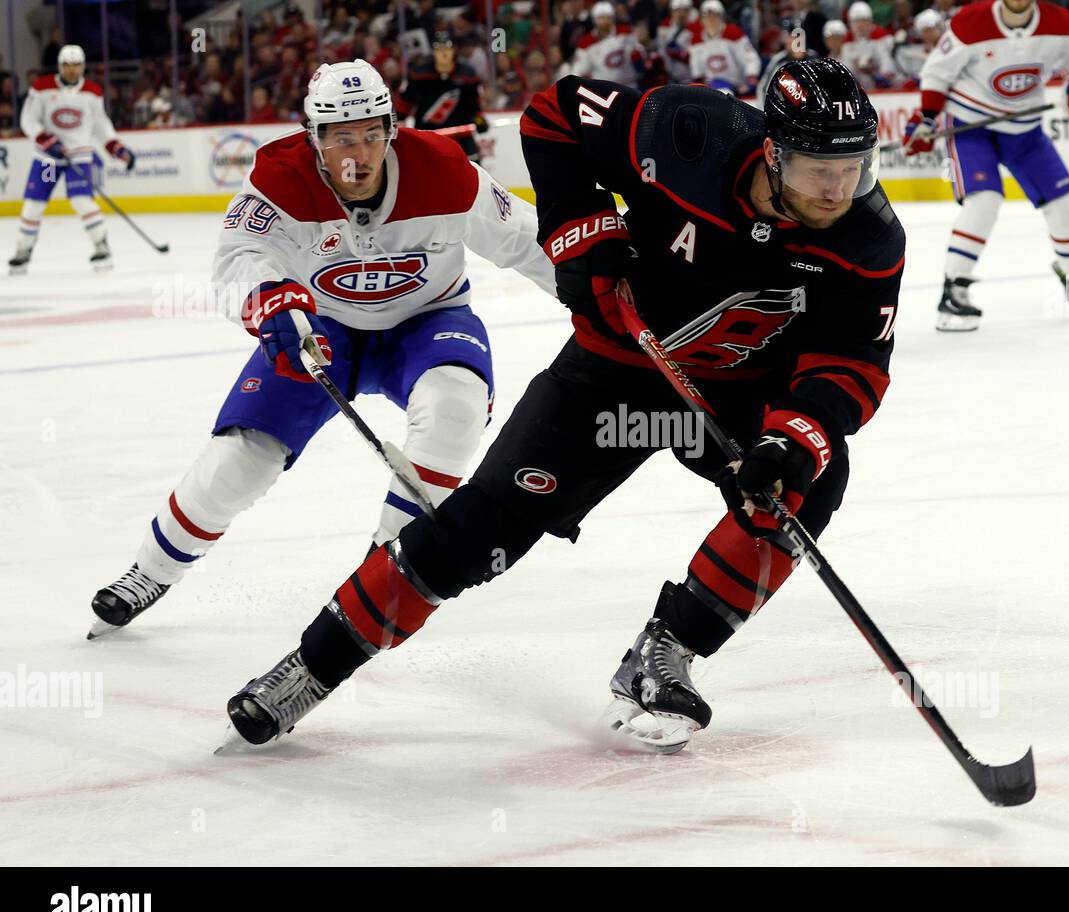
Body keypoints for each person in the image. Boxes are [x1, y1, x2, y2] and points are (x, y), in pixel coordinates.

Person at [221, 59, 905, 754]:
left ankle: (665, 652)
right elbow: (555, 112)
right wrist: (583, 230)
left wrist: (791, 438)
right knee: (476, 538)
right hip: (613, 373)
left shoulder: (869, 239)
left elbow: (853, 364)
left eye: (855, 167)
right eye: (820, 168)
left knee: (804, 481)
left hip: (735, 395)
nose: (839, 188)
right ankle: (312, 666)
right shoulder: (689, 130)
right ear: (773, 150)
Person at [86, 60, 555, 639]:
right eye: (341, 139)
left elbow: (532, 241)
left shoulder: (446, 172)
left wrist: (601, 292)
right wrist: (269, 301)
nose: (358, 155)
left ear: (390, 128)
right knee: (243, 457)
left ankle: (389, 569)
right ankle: (150, 570)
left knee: (455, 406)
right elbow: (238, 262)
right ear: (314, 139)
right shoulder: (279, 181)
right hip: (320, 327)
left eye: (371, 134)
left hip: (428, 320)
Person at [904, 0, 1069, 330]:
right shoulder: (971, 21)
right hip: (971, 125)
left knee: (1064, 203)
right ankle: (954, 289)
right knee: (984, 201)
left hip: (1024, 130)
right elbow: (936, 71)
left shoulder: (1059, 21)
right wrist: (926, 116)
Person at [7, 45, 135, 275]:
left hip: (79, 155)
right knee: (34, 205)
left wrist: (117, 148)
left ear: (82, 66)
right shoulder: (42, 87)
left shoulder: (92, 92)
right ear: (60, 65)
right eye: (67, 65)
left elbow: (101, 125)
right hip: (48, 158)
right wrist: (45, 138)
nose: (72, 70)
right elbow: (28, 119)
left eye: (76, 65)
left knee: (81, 200)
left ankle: (100, 246)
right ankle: (23, 250)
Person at [395, 32, 489, 162]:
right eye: (439, 49)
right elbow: (405, 102)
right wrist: (397, 120)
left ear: (453, 50)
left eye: (447, 49)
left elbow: (474, 106)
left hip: (461, 135)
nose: (444, 53)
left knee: (474, 170)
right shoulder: (419, 73)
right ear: (433, 52)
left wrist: (479, 119)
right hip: (428, 136)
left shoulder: (467, 74)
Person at [689, 0, 762, 96]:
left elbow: (751, 58)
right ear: (701, 20)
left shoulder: (733, 33)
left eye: (714, 16)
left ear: (722, 17)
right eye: (707, 16)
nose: (710, 20)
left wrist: (750, 78)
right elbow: (697, 70)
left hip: (737, 85)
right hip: (711, 85)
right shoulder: (697, 39)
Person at [572, 1, 645, 85]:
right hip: (604, 91)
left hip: (630, 84)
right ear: (594, 20)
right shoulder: (586, 42)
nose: (604, 21)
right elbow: (579, 70)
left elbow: (639, 53)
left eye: (607, 17)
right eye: (601, 18)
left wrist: (638, 55)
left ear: (612, 18)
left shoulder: (625, 32)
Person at [843, 1, 899, 89]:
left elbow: (887, 67)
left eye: (864, 21)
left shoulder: (882, 38)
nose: (860, 25)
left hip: (882, 88)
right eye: (856, 21)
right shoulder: (847, 43)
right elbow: (846, 69)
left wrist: (874, 73)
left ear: (870, 21)